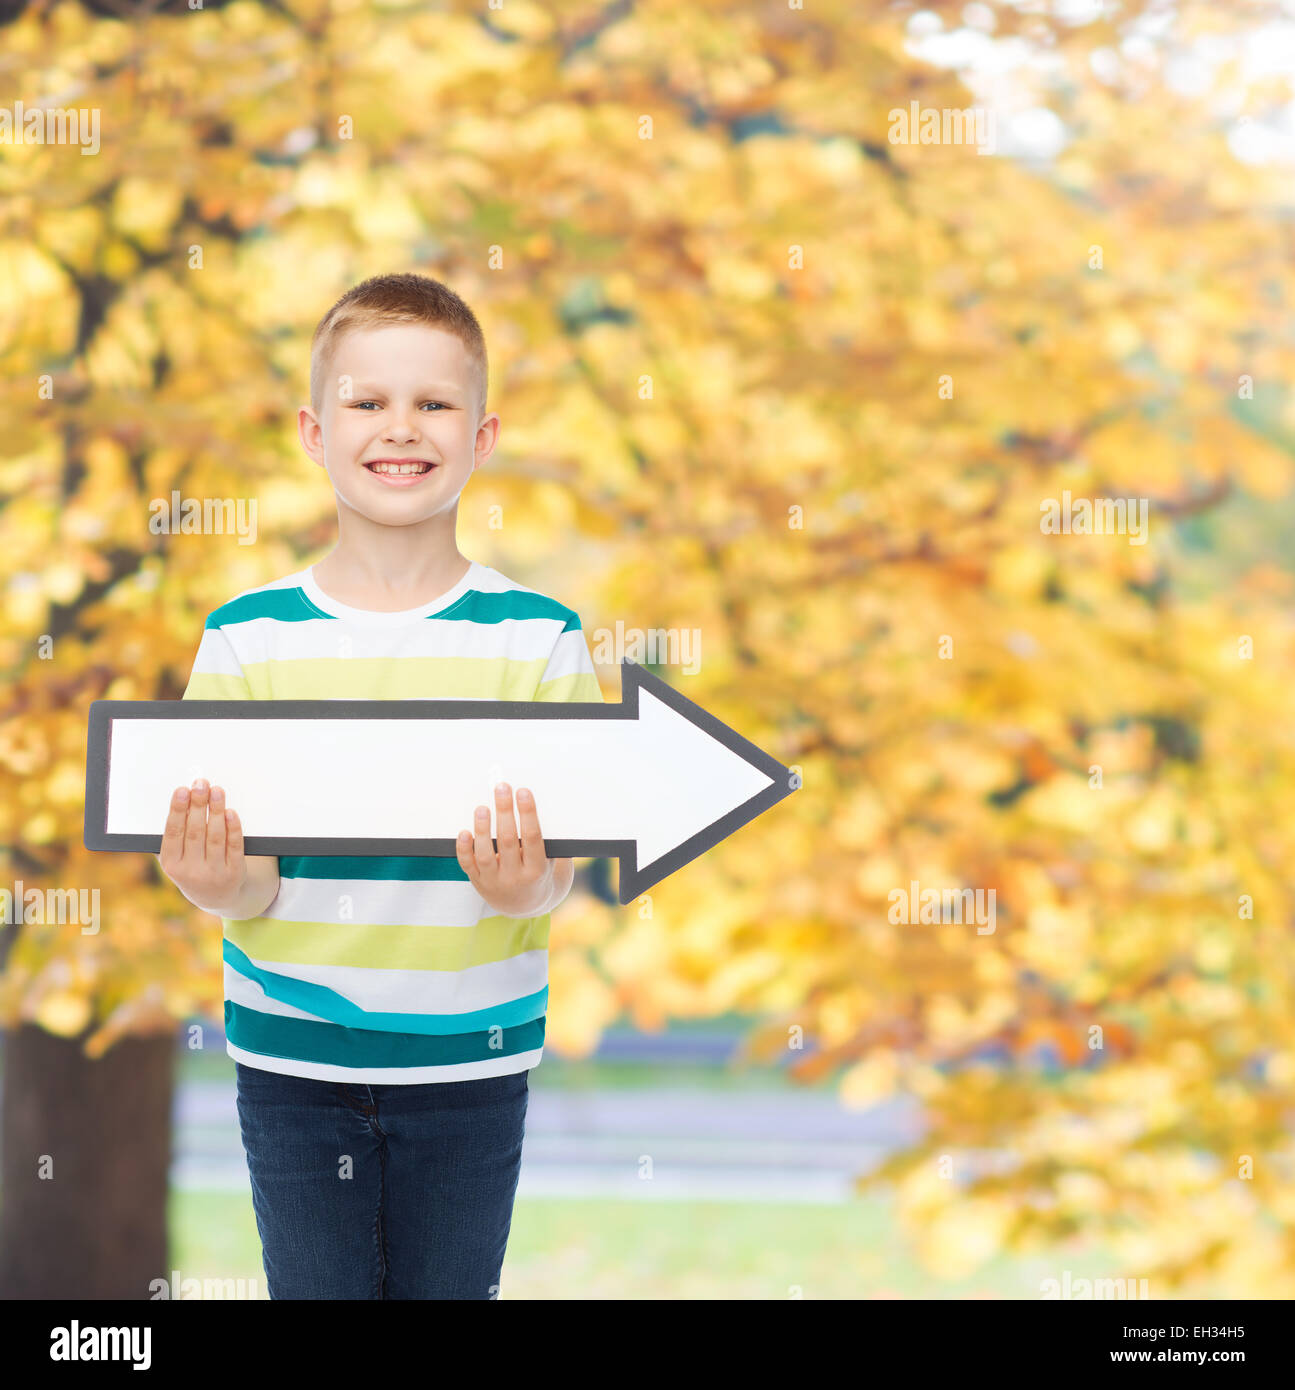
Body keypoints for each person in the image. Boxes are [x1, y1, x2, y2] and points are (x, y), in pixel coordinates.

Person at [155, 272, 602, 1299]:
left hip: (471, 1061)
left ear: (481, 438)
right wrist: (215, 883)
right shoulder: (245, 637)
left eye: (433, 403)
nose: (400, 428)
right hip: (293, 1060)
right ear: (315, 433)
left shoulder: (540, 637)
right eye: (368, 402)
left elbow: (556, 872)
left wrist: (521, 886)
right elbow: (245, 879)